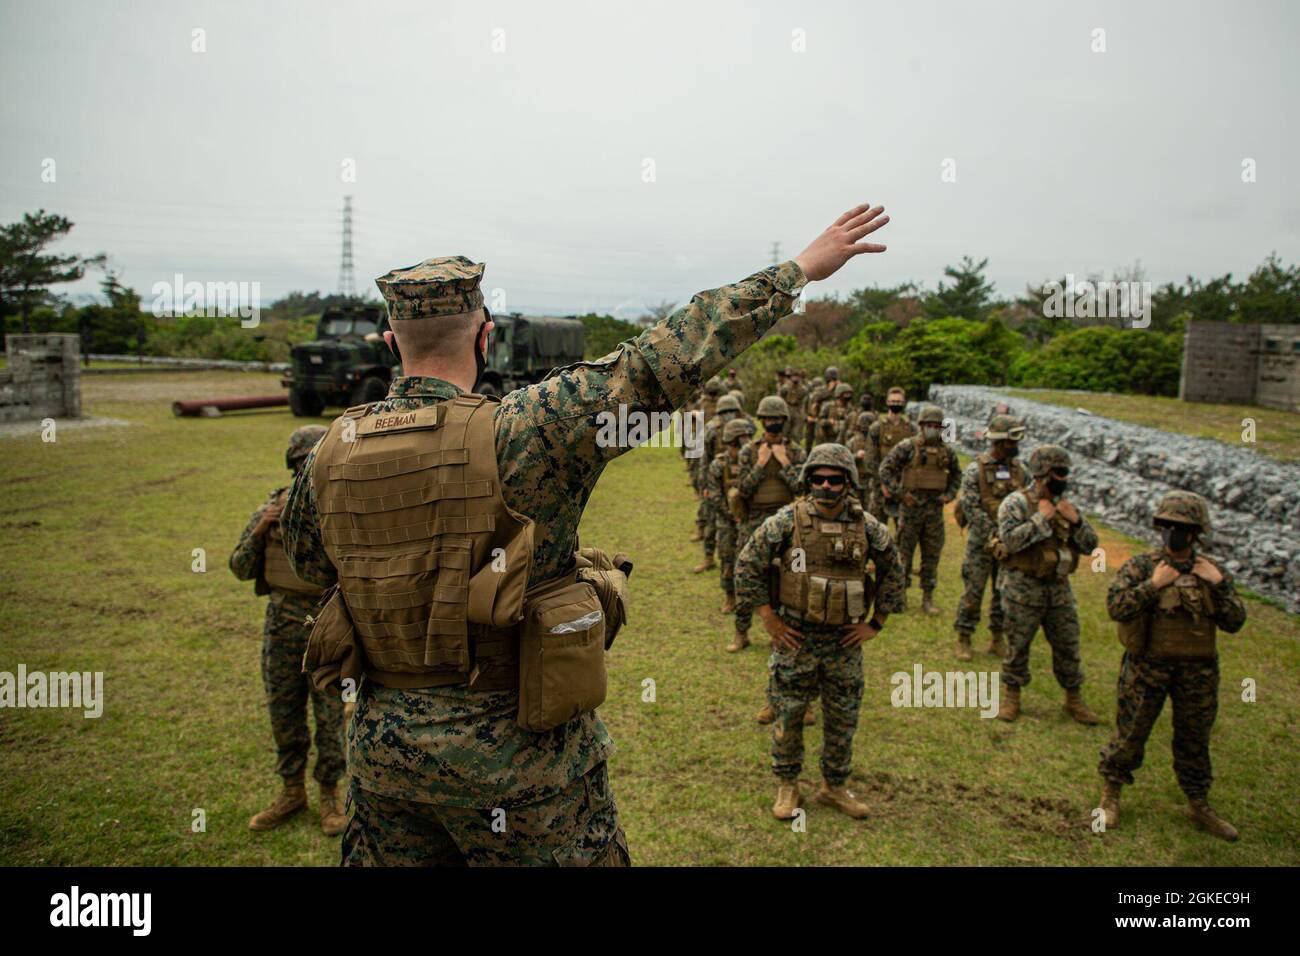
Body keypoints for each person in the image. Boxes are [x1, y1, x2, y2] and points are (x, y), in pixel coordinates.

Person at [281, 201, 892, 865]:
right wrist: (798, 269)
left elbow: (309, 566)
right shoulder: (526, 429)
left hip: (384, 764)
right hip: (520, 764)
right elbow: (661, 360)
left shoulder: (329, 453)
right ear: (486, 340)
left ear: (391, 342)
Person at [735, 444, 905, 820]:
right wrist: (769, 618)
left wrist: (876, 624)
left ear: (848, 482)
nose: (826, 486)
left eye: (835, 479)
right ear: (809, 480)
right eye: (819, 479)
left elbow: (893, 568)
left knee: (843, 717)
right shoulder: (788, 520)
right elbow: (747, 562)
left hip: (844, 643)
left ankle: (835, 786)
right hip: (797, 637)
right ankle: (788, 784)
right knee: (790, 714)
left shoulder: (867, 526)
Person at [1098, 491, 1246, 841]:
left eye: (1180, 527)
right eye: (1166, 526)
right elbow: (1116, 607)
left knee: (1195, 739)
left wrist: (1219, 584)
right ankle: (1110, 795)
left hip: (1198, 673)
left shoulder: (1212, 571)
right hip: (1147, 670)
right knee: (1130, 735)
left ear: (1195, 533)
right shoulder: (1142, 566)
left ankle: (1198, 803)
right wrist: (1153, 586)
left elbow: (1235, 621)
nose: (1172, 533)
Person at [229, 425, 347, 837]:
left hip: (327, 627)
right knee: (285, 713)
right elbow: (240, 568)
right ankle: (291, 791)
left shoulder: (340, 508)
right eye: (300, 465)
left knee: (331, 717)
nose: (306, 472)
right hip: (281, 628)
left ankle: (331, 795)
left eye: (311, 463)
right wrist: (262, 529)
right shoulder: (272, 509)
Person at [992, 444, 1101, 725]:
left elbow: (1090, 546)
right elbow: (1011, 541)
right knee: (1018, 643)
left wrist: (1075, 521)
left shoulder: (1067, 506)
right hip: (1022, 587)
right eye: (1057, 473)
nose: (1062, 479)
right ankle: (1011, 696)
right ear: (1041, 474)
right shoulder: (1016, 503)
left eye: (1065, 473)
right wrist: (1042, 519)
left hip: (1059, 588)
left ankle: (1073, 698)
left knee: (1067, 643)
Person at [729, 395, 807, 659]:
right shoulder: (749, 452)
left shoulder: (796, 452)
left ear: (784, 421)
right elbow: (743, 490)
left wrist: (785, 463)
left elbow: (803, 489)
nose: (773, 423)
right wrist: (761, 464)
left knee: (787, 576)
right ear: (761, 421)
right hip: (754, 520)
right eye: (768, 419)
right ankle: (741, 632)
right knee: (746, 572)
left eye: (777, 419)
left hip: (786, 520)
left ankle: (781, 632)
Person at [953, 414, 1028, 660]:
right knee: (973, 591)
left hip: (1010, 545)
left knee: (1003, 594)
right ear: (999, 442)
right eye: (1011, 441)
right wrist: (994, 536)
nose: (1015, 446)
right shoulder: (976, 470)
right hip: (981, 543)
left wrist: (1011, 538)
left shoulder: (1020, 471)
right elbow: (972, 509)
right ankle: (964, 637)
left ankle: (997, 638)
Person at [879, 405, 960, 615]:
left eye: (936, 426)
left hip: (934, 512)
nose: (932, 429)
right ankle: (900, 595)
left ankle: (927, 598)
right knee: (903, 555)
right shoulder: (907, 447)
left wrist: (948, 495)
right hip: (910, 510)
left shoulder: (947, 451)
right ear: (921, 426)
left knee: (931, 556)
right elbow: (885, 469)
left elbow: (957, 476)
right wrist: (900, 494)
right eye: (929, 425)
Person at [707, 416, 757, 615]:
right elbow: (714, 494)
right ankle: (730, 595)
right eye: (738, 442)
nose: (743, 446)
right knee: (727, 558)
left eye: (746, 440)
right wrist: (730, 514)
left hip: (749, 520)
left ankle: (750, 597)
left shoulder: (755, 463)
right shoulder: (719, 464)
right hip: (727, 521)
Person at [692, 393, 744, 574]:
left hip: (737, 481)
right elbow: (704, 459)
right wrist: (704, 485)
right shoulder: (712, 430)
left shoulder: (745, 429)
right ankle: (708, 558)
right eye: (725, 412)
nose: (729, 415)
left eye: (732, 411)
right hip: (715, 478)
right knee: (710, 522)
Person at [865, 387, 916, 526]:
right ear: (887, 402)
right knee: (875, 529)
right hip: (880, 487)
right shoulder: (877, 427)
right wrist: (883, 483)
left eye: (899, 401)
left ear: (904, 403)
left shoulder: (911, 429)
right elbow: (871, 459)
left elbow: (914, 459)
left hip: (903, 487)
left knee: (905, 530)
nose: (896, 404)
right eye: (893, 401)